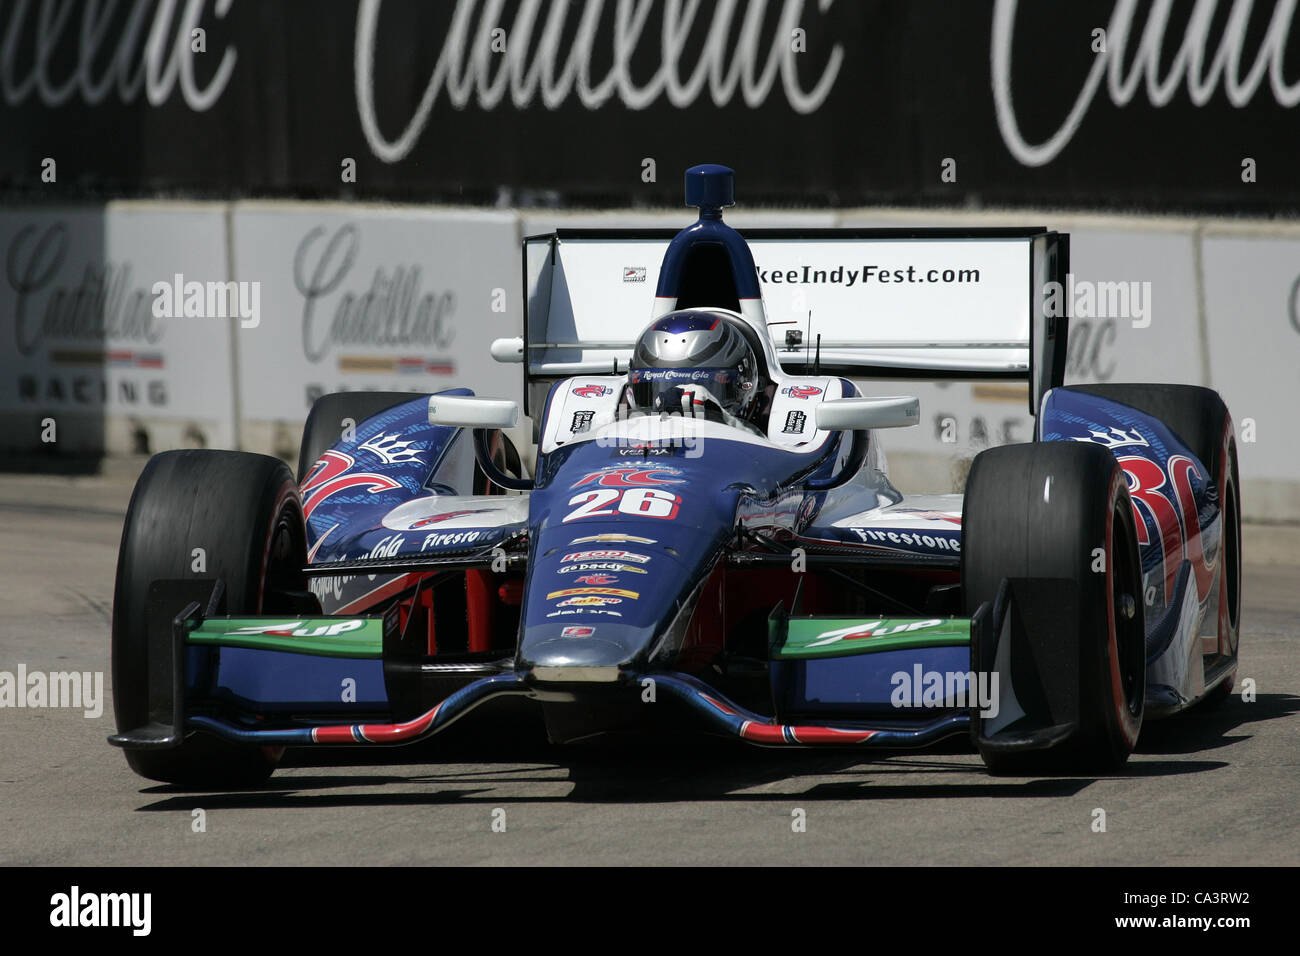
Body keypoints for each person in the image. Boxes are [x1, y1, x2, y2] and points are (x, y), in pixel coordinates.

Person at [626, 310, 762, 433]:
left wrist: (717, 416)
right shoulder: (609, 410)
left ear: (746, 385)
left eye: (712, 388)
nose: (675, 414)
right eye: (657, 392)